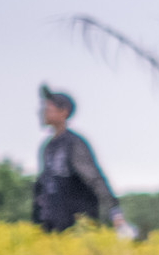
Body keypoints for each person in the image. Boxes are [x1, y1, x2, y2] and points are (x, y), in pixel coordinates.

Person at [32, 85, 124, 235]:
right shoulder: (47, 147)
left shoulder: (74, 143)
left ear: (64, 112)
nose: (43, 111)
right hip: (51, 227)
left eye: (49, 107)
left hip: (76, 228)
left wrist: (114, 211)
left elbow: (94, 178)